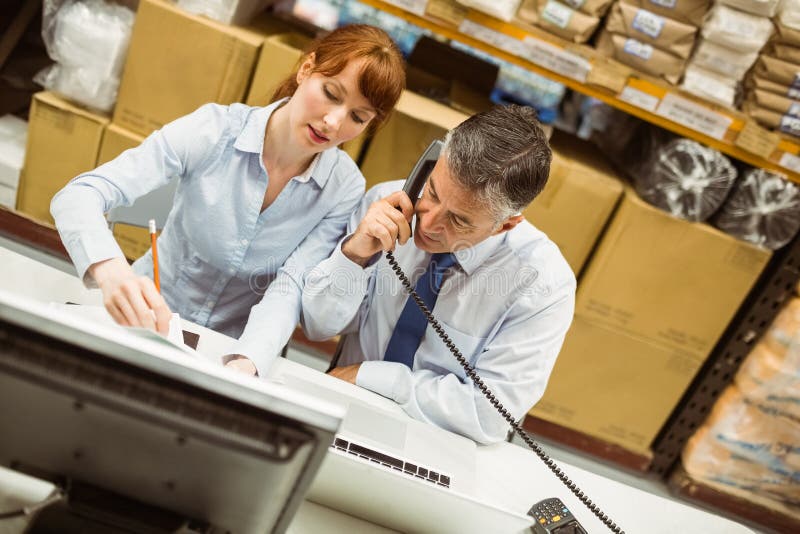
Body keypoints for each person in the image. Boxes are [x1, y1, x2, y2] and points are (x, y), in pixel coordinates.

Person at [50, 24, 405, 376]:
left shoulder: (343, 188)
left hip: (226, 353)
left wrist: (248, 363)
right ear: (306, 69)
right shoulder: (215, 129)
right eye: (331, 93)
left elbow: (290, 286)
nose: (333, 122)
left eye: (358, 117)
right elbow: (79, 195)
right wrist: (112, 273)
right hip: (141, 319)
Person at [301, 105, 576, 444]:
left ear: (505, 224)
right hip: (341, 412)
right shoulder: (386, 204)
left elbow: (490, 415)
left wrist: (371, 376)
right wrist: (353, 254)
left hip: (437, 441)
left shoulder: (543, 284)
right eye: (432, 192)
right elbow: (317, 326)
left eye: (459, 220)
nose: (427, 224)